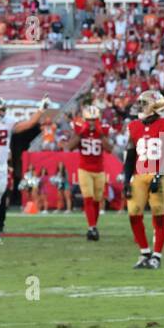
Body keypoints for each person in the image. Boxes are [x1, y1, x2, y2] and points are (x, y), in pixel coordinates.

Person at [0, 97, 55, 244]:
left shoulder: (9, 122)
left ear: (4, 110)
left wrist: (41, 109)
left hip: (2, 167)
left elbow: (29, 123)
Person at [121, 90, 164, 268]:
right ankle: (144, 253)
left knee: (159, 214)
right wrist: (126, 180)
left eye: (144, 103)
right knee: (133, 213)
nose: (140, 106)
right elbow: (129, 155)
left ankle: (156, 256)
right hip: (138, 174)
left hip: (158, 172)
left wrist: (159, 174)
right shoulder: (134, 126)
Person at [69, 102, 110, 240]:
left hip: (99, 170)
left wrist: (100, 134)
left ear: (98, 119)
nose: (92, 122)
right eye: (89, 120)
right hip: (84, 169)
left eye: (94, 119)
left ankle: (93, 226)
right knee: (88, 197)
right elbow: (69, 147)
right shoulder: (79, 129)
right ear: (85, 120)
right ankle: (91, 227)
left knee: (97, 200)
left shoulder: (103, 129)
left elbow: (109, 148)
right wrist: (81, 133)